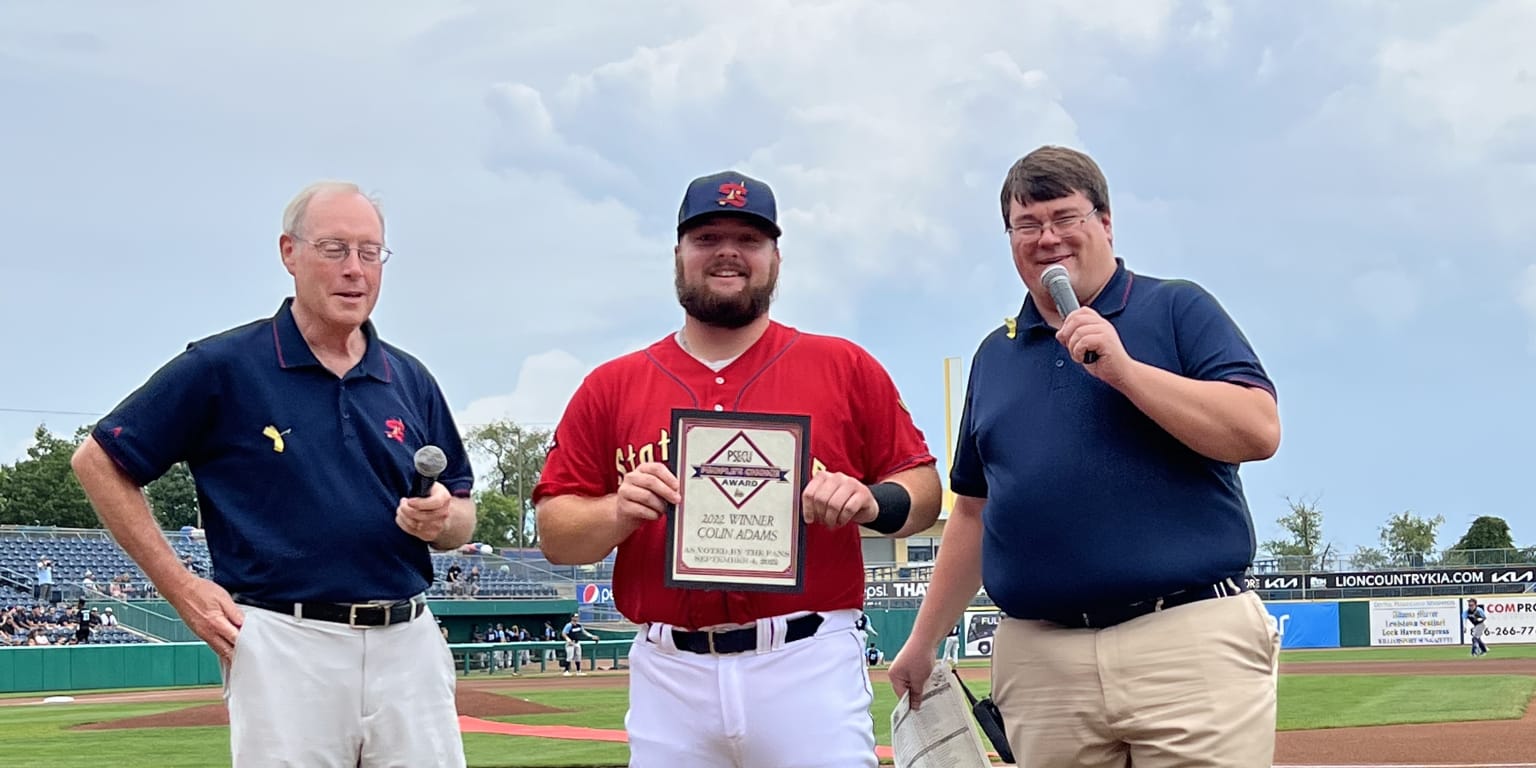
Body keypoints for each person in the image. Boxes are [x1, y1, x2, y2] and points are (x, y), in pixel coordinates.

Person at [888, 145, 1282, 768]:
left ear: (1105, 222)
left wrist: (1125, 371)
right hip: (1041, 659)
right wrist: (924, 640)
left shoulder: (1175, 308)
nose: (1048, 239)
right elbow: (973, 512)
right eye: (1028, 224)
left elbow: (1258, 431)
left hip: (1184, 635)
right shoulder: (997, 354)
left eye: (1065, 217)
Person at [533, 170, 942, 768]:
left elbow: (925, 491)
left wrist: (872, 500)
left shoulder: (843, 366)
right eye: (707, 237)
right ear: (678, 254)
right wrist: (618, 510)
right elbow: (555, 535)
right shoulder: (611, 385)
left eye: (748, 239)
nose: (728, 253)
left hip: (807, 659)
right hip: (669, 671)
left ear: (776, 257)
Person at [70, 180, 477, 768]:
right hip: (287, 641)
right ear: (289, 253)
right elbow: (99, 461)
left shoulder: (409, 379)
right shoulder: (224, 366)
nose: (355, 270)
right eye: (335, 249)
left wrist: (443, 517)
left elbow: (461, 517)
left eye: (370, 252)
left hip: (408, 641)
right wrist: (180, 587)